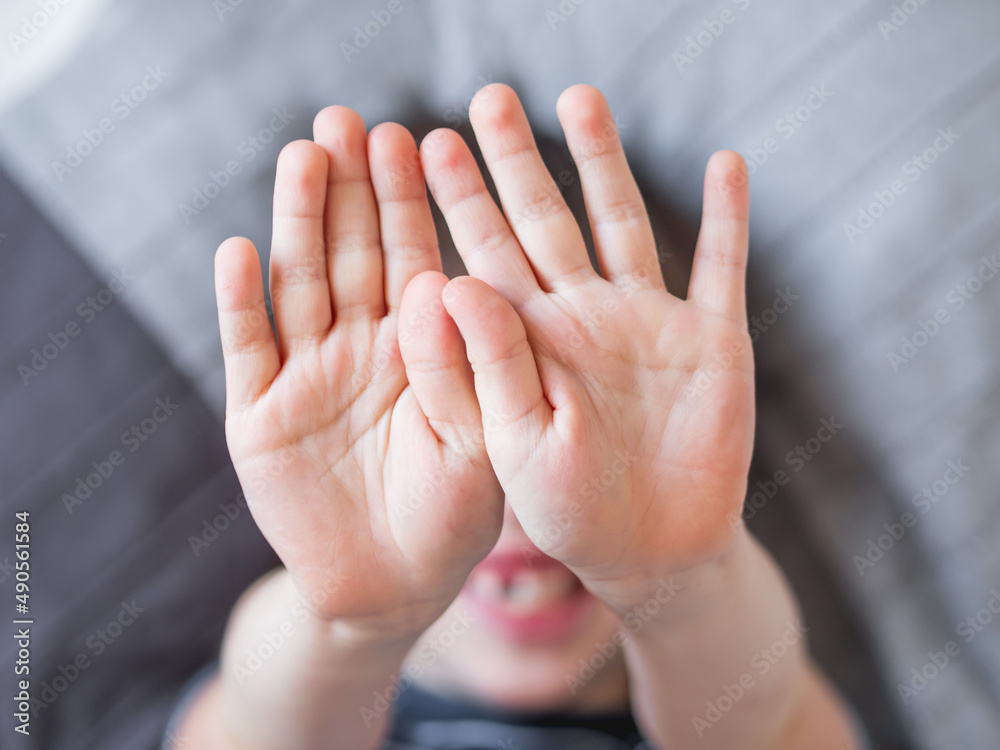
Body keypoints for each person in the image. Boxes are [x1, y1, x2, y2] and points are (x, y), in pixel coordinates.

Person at [174, 83, 862, 749]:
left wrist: (682, 587)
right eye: (439, 416)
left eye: (564, 412)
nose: (524, 492)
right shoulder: (302, 701)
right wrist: (351, 625)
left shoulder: (727, 705)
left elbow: (767, 730)